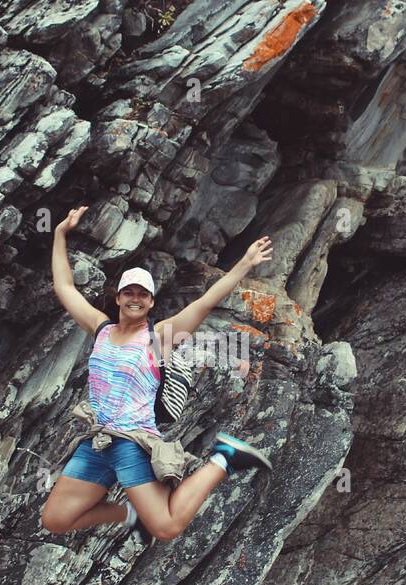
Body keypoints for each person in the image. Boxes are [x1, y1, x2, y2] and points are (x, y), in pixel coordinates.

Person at [40, 204, 274, 542]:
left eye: (142, 294)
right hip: (98, 442)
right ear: (119, 297)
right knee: (56, 519)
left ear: (150, 302)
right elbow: (65, 288)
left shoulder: (159, 336)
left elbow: (205, 302)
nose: (135, 298)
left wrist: (245, 264)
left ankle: (225, 458)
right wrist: (60, 233)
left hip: (132, 444)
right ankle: (130, 515)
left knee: (166, 527)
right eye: (129, 292)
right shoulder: (100, 328)